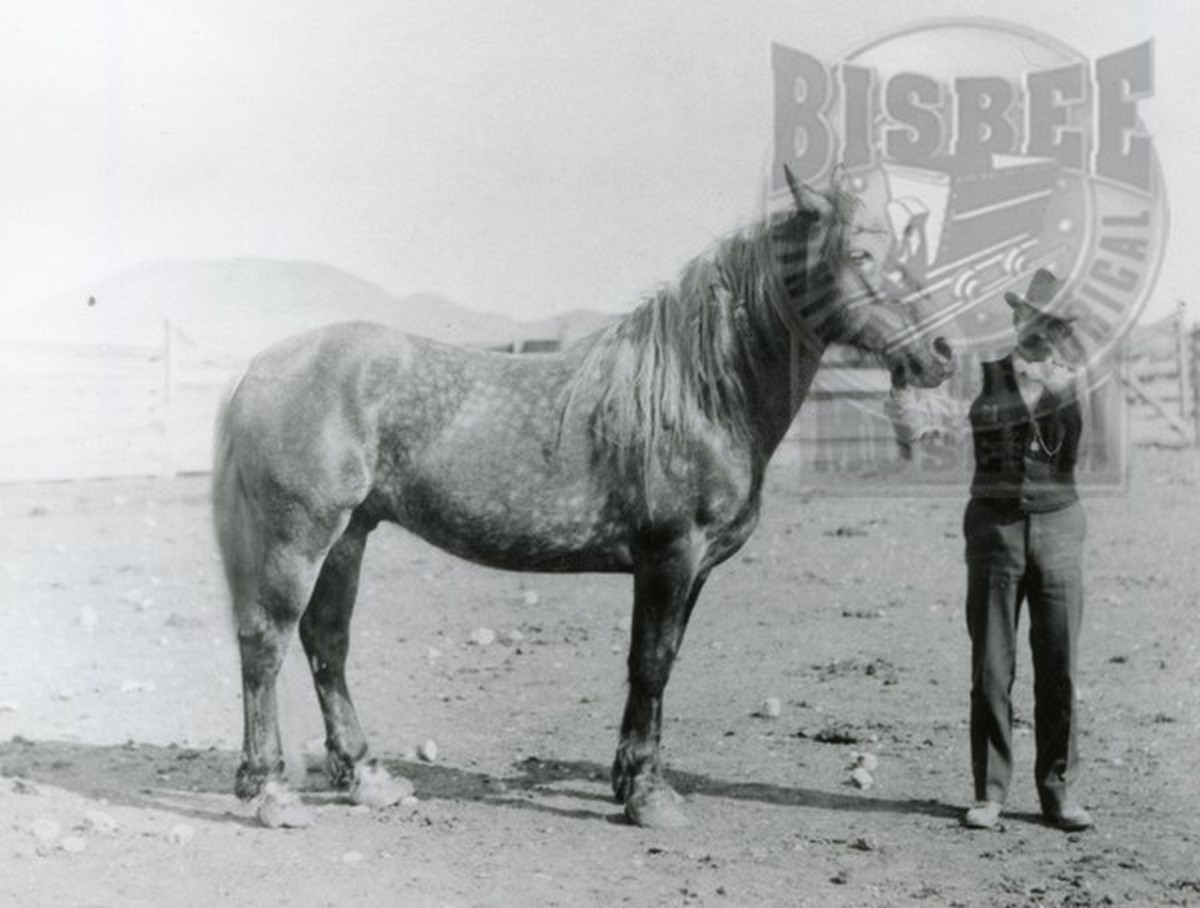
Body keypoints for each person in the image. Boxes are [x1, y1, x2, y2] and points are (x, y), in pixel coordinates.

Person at [961, 268, 1094, 832]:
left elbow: (1092, 448)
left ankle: (1057, 791)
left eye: (1052, 325)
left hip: (1059, 528)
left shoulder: (1078, 382)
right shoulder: (989, 376)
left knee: (1059, 665)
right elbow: (976, 432)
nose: (1040, 332)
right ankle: (990, 792)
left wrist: (1062, 387)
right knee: (992, 667)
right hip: (996, 530)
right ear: (1016, 319)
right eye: (1032, 320)